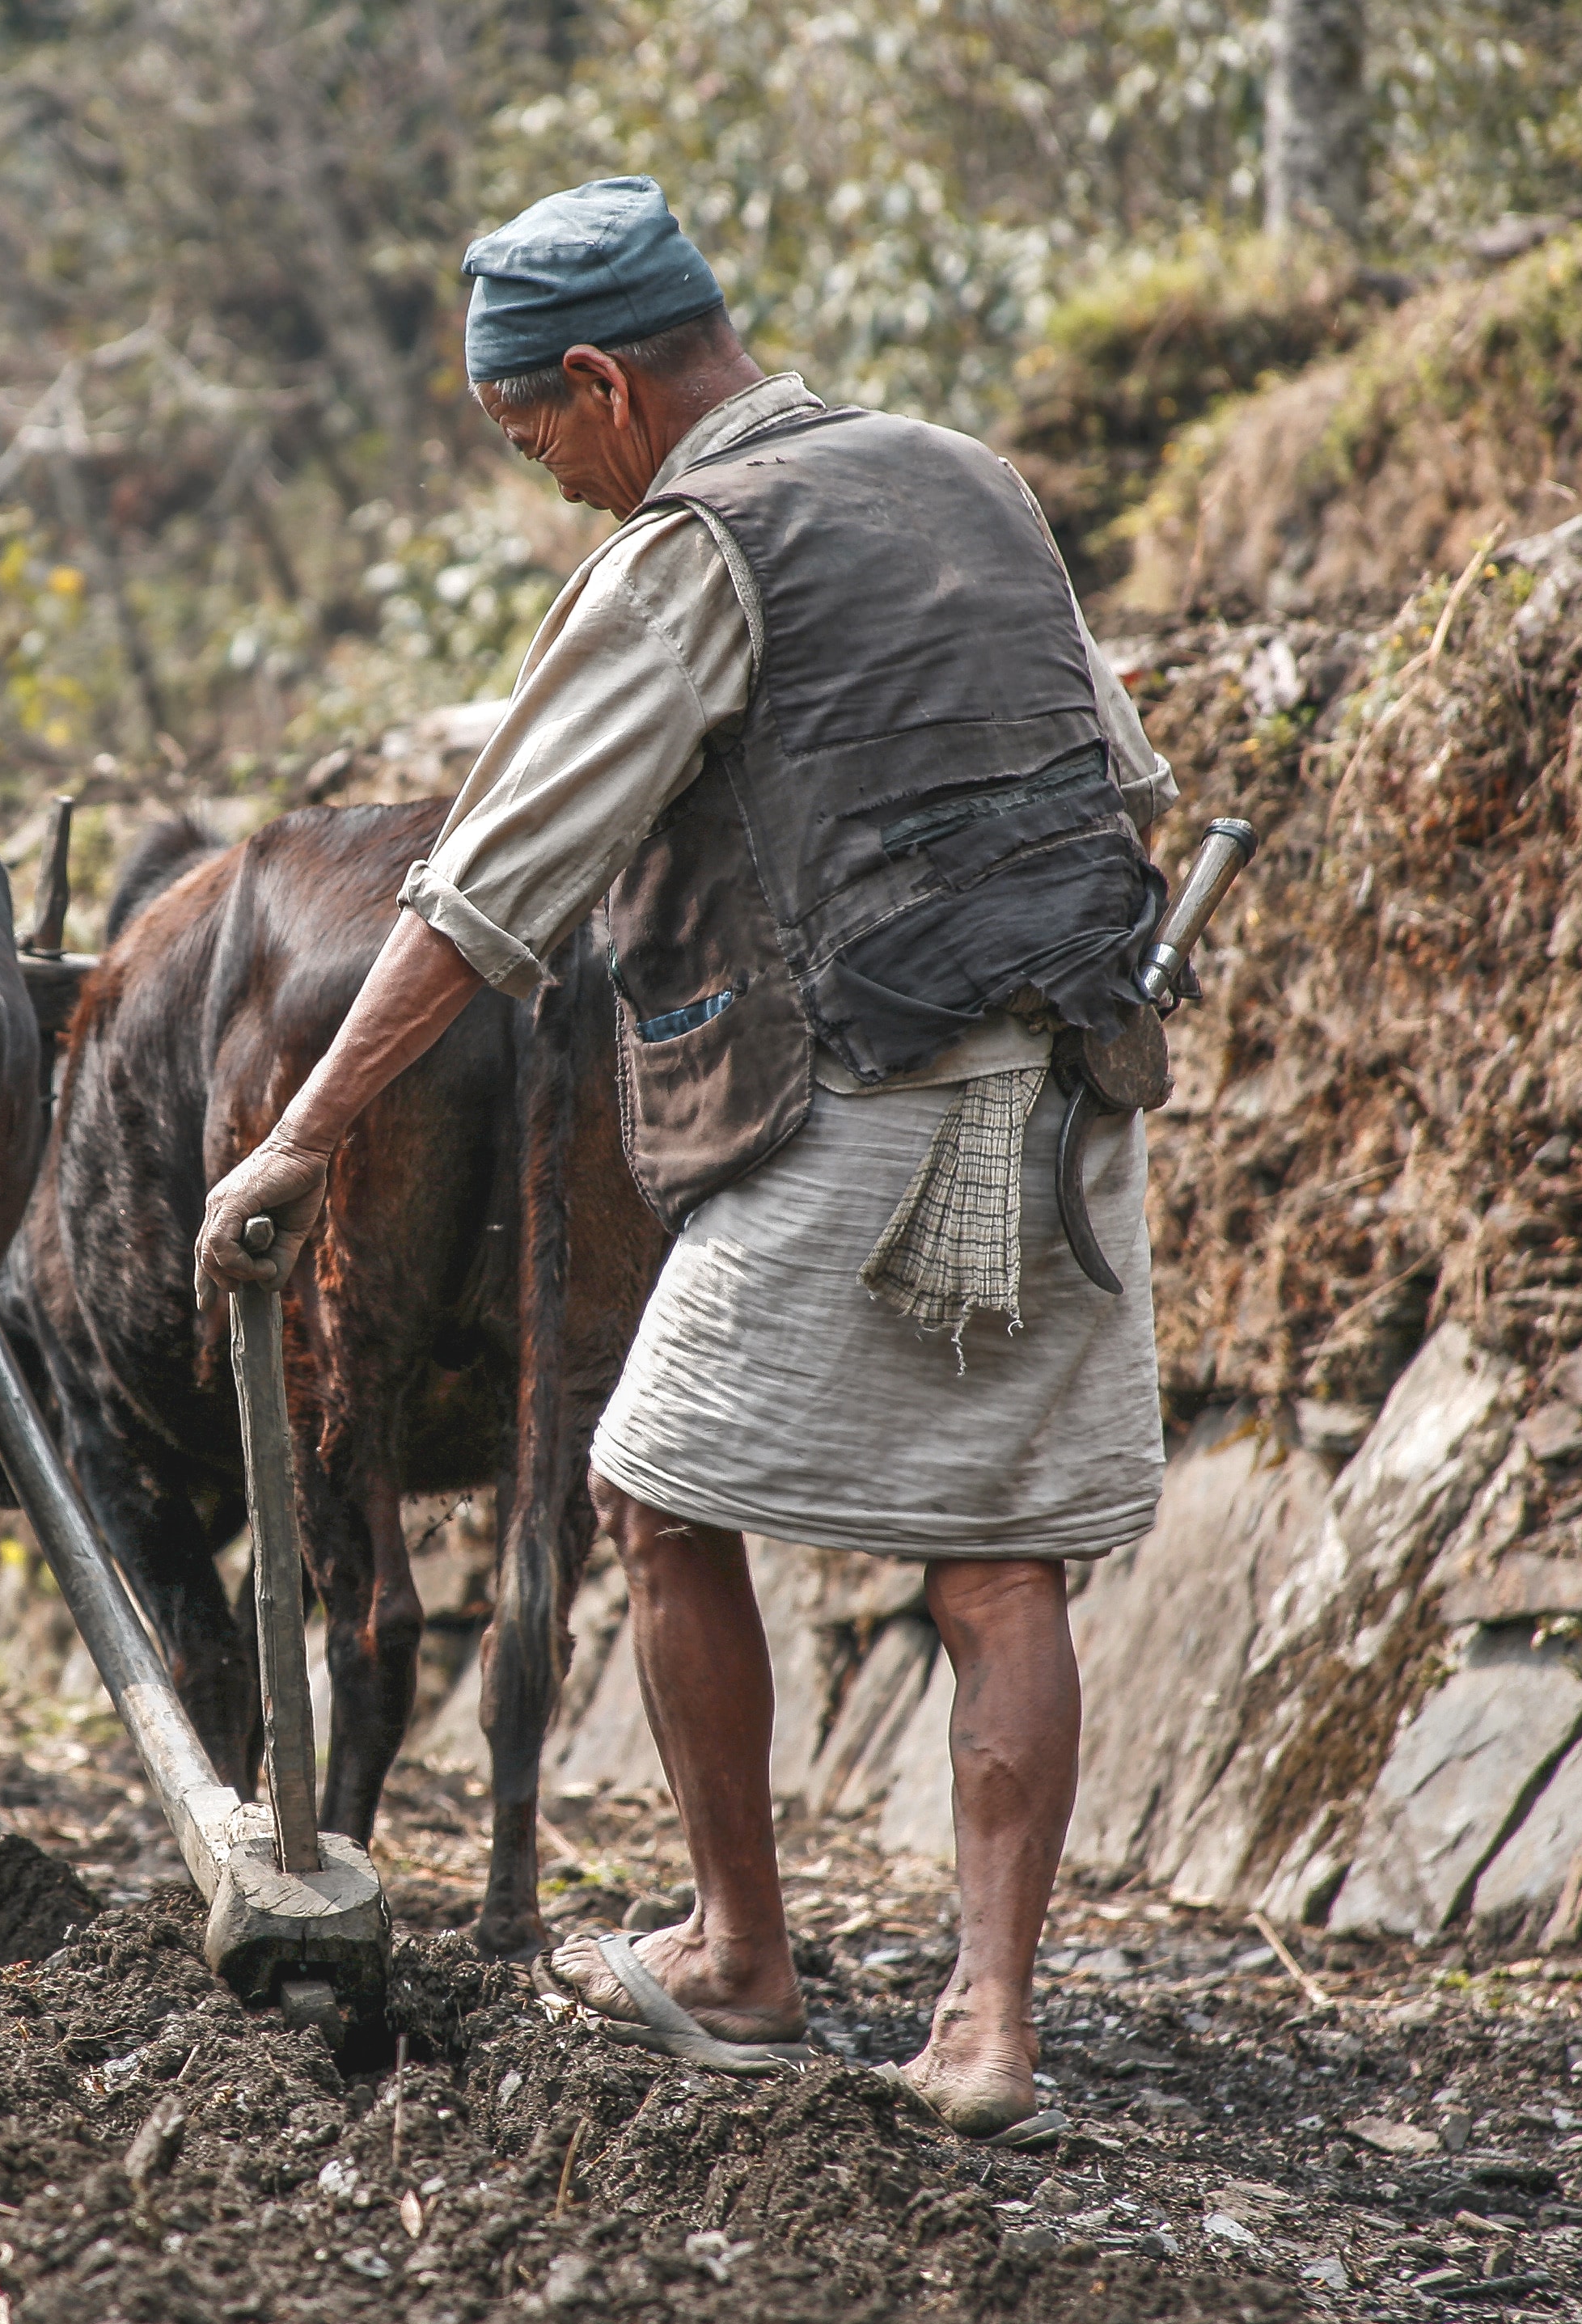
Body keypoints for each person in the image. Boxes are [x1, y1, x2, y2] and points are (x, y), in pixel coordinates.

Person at [194, 177, 1178, 2147]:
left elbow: (489, 890)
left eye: (532, 432)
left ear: (598, 380)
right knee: (997, 1567)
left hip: (867, 1086)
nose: (549, 476)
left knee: (647, 1483)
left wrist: (306, 1135)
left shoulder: (699, 546)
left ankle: (740, 1955)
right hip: (1066, 1082)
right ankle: (988, 2032)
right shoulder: (960, 478)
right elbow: (1123, 777)